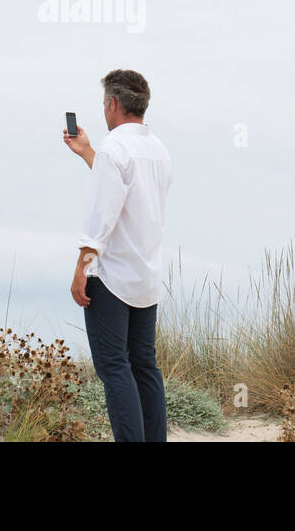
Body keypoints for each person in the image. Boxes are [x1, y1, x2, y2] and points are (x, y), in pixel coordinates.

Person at [63, 69, 173, 442]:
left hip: (110, 277)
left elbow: (101, 217)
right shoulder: (157, 150)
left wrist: (82, 268)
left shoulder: (115, 149)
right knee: (144, 366)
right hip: (146, 278)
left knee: (114, 366)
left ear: (112, 104)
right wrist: (87, 153)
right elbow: (126, 195)